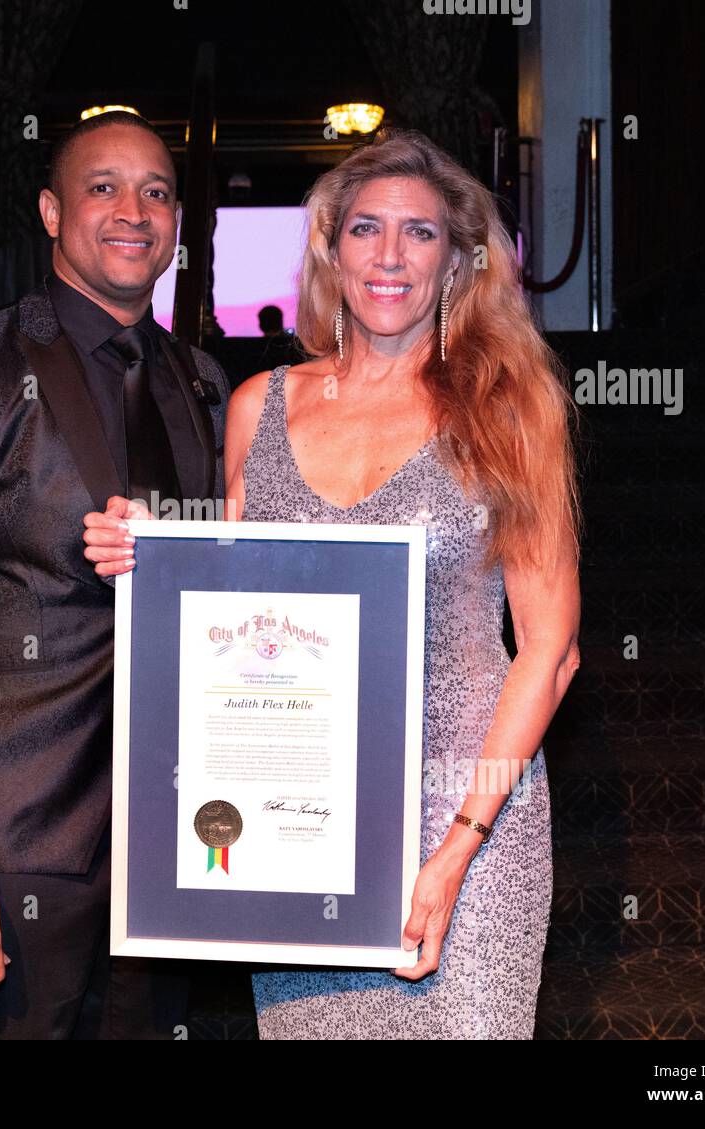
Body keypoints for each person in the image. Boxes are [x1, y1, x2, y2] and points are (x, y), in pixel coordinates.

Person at [83, 127, 581, 1039]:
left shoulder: (507, 409)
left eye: (420, 233)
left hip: (468, 810)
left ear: (459, 260)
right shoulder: (257, 407)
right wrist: (144, 547)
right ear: (330, 248)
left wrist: (457, 849)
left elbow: (549, 652)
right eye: (365, 229)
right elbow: (226, 611)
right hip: (301, 822)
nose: (390, 256)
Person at [0, 109, 229, 1039]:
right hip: (15, 834)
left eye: (157, 191)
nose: (133, 210)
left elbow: (226, 576)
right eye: (103, 186)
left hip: (172, 840)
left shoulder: (204, 382)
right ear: (51, 210)